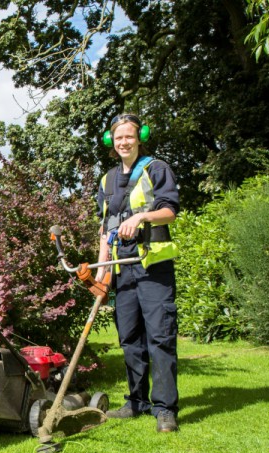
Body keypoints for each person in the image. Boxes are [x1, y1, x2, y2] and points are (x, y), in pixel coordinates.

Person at [95, 113, 180, 433]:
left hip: (152, 265)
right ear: (111, 142)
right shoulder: (106, 180)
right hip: (122, 268)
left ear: (139, 137)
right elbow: (105, 228)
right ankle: (135, 401)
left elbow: (170, 211)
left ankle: (165, 408)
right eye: (118, 138)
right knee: (129, 337)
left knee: (160, 335)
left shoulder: (156, 168)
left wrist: (143, 217)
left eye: (129, 136)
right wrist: (102, 272)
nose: (123, 142)